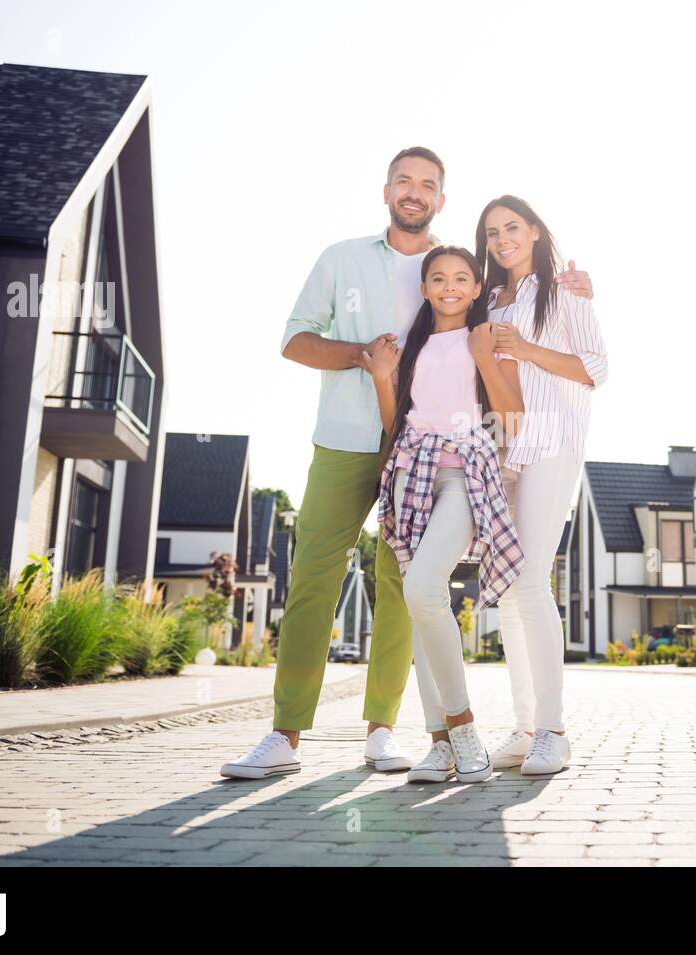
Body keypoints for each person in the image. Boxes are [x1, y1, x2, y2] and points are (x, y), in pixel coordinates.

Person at [220, 150, 592, 779]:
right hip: (357, 442)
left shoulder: (474, 280)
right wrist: (370, 360)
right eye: (405, 182)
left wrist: (576, 288)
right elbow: (298, 342)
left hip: (451, 464)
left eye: (428, 185)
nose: (415, 192)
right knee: (316, 573)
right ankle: (287, 736)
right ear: (386, 189)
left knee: (411, 589)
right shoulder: (345, 259)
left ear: (442, 200)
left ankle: (397, 732)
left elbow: (527, 337)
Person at [364, 246, 524, 784]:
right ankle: (440, 744)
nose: (450, 286)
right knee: (422, 605)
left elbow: (512, 419)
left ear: (477, 288)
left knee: (422, 589)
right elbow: (396, 425)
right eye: (438, 278)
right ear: (425, 288)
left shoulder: (489, 337)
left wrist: (482, 356)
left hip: (462, 474)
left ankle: (462, 725)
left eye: (461, 278)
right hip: (411, 474)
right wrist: (383, 378)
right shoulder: (411, 345)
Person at [475, 195, 609, 775]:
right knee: (507, 587)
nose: (502, 239)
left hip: (551, 441)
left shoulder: (565, 289)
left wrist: (525, 349)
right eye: (491, 232)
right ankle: (526, 727)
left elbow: (595, 368)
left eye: (512, 227)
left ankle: (554, 729)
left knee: (530, 579)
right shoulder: (488, 297)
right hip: (495, 443)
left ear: (534, 230)